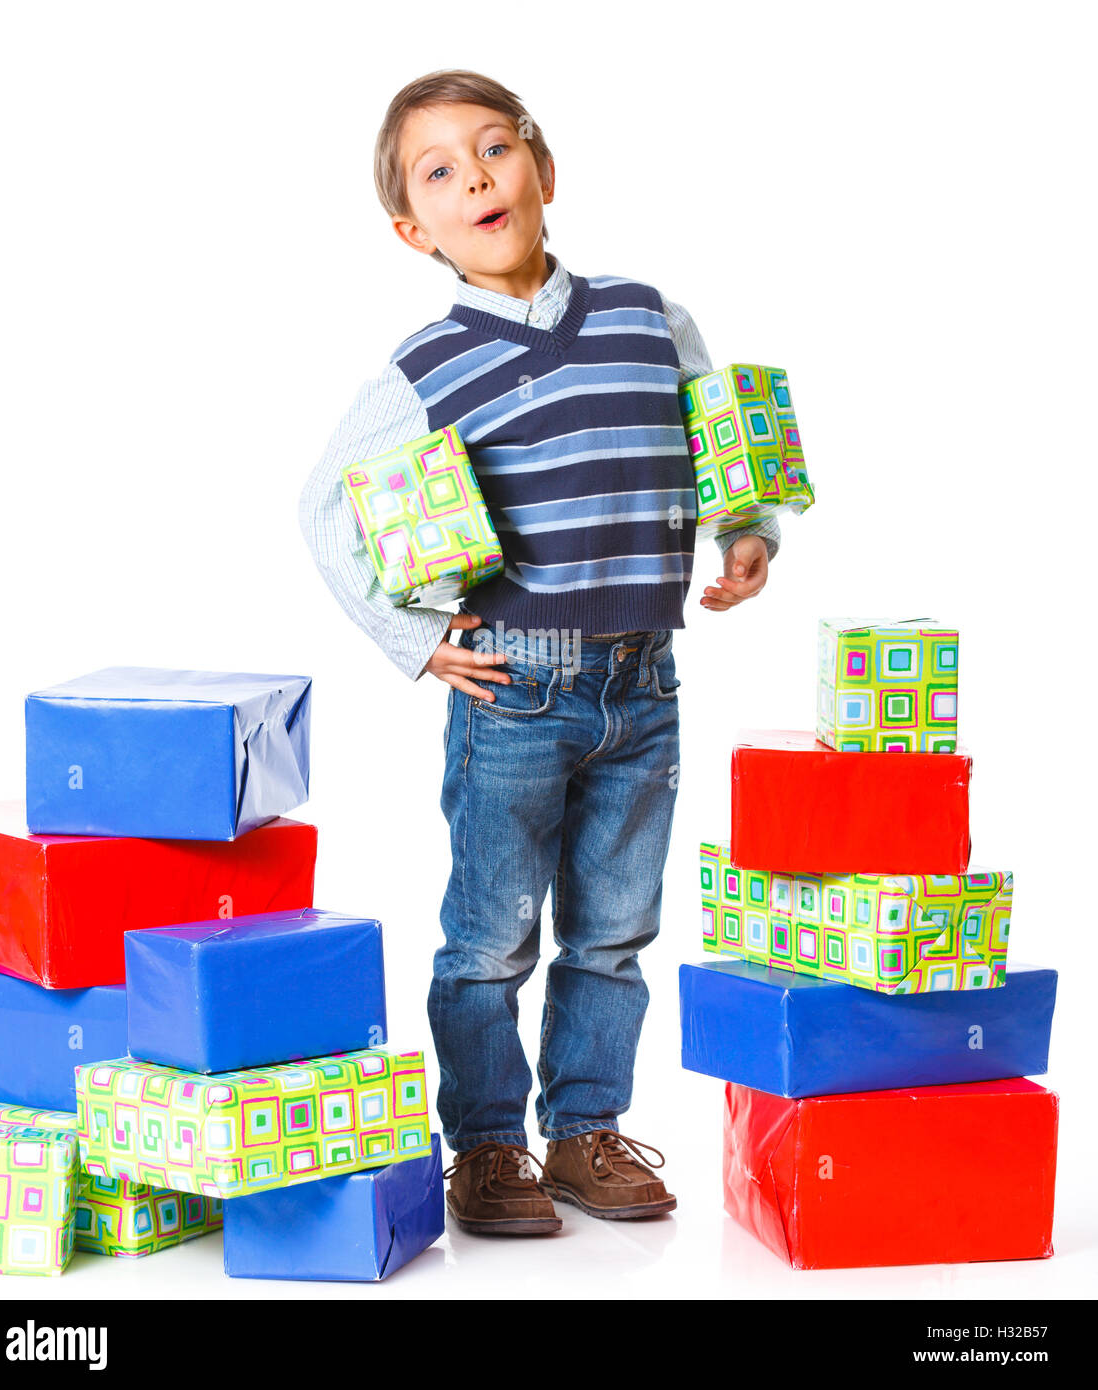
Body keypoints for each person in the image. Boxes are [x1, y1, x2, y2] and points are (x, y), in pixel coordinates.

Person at [299, 68, 779, 1236]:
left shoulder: (644, 313)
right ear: (413, 228)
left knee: (614, 931)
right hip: (514, 684)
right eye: (439, 169)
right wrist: (417, 641)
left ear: (543, 173)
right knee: (490, 934)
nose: (476, 175)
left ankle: (583, 1130)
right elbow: (325, 506)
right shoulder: (428, 365)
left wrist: (747, 529)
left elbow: (722, 432)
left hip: (642, 682)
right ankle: (488, 1147)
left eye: (496, 149)